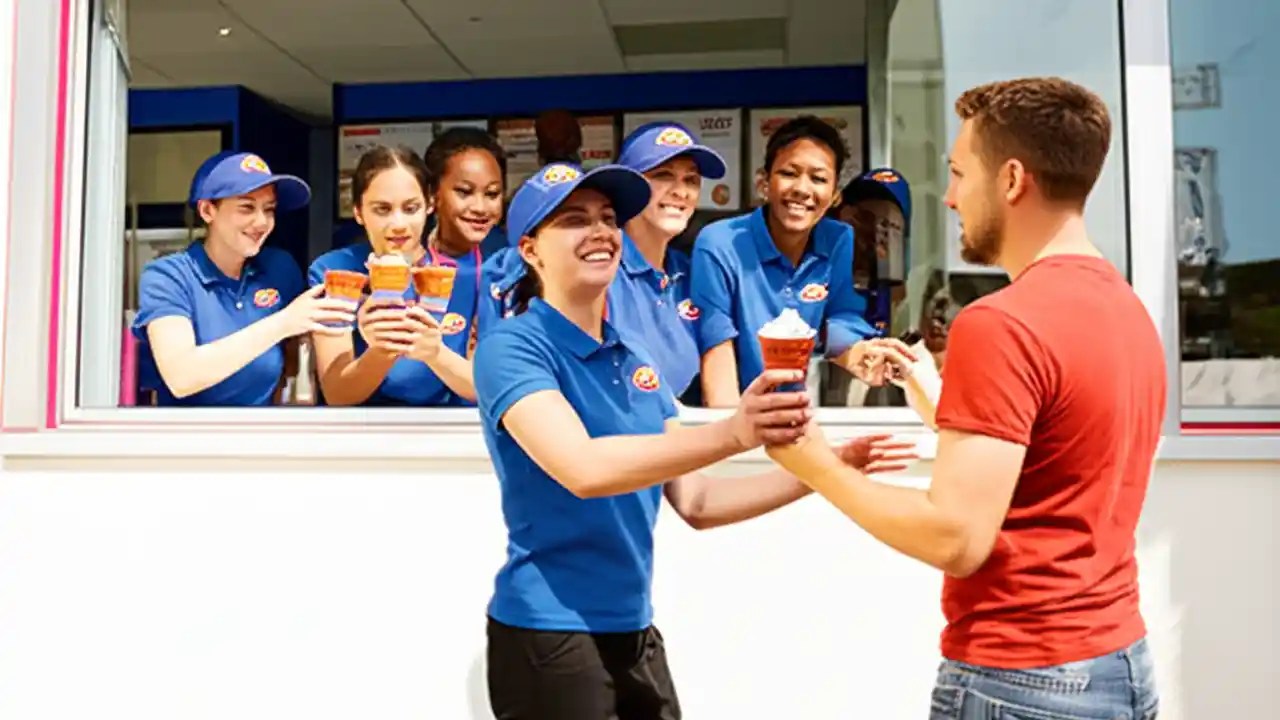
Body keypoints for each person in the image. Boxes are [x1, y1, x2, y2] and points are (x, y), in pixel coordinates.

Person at [765, 77, 1164, 720]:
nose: (949, 197)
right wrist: (938, 398)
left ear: (1010, 180)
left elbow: (955, 537)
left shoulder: (1001, 323)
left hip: (1021, 681)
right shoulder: (1127, 309)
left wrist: (814, 462)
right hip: (1118, 662)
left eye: (957, 172)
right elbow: (1052, 465)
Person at [474, 161, 916, 719]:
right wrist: (733, 431)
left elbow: (699, 501)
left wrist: (826, 470)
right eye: (574, 220)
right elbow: (583, 468)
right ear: (532, 250)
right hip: (548, 633)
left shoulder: (635, 356)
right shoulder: (512, 348)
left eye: (608, 218)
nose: (600, 232)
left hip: (633, 629)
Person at [689, 116, 910, 407]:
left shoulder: (839, 239)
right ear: (764, 183)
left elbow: (842, 316)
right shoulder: (719, 243)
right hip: (737, 418)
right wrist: (732, 438)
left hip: (800, 415)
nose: (803, 189)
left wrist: (861, 355)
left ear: (834, 196)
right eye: (789, 173)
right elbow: (716, 346)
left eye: (818, 179)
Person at [132, 152, 355, 406]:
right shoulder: (167, 276)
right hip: (187, 439)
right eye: (246, 208)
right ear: (207, 210)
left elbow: (293, 359)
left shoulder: (280, 268)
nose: (261, 222)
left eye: (269, 209)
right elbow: (181, 376)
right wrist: (284, 321)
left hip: (260, 436)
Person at [307, 132, 503, 406]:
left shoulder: (472, 274)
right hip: (361, 435)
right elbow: (338, 393)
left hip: (449, 434)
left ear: (429, 206)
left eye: (410, 208)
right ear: (359, 212)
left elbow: (489, 390)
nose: (398, 223)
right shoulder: (337, 273)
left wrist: (434, 353)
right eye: (382, 210)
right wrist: (382, 350)